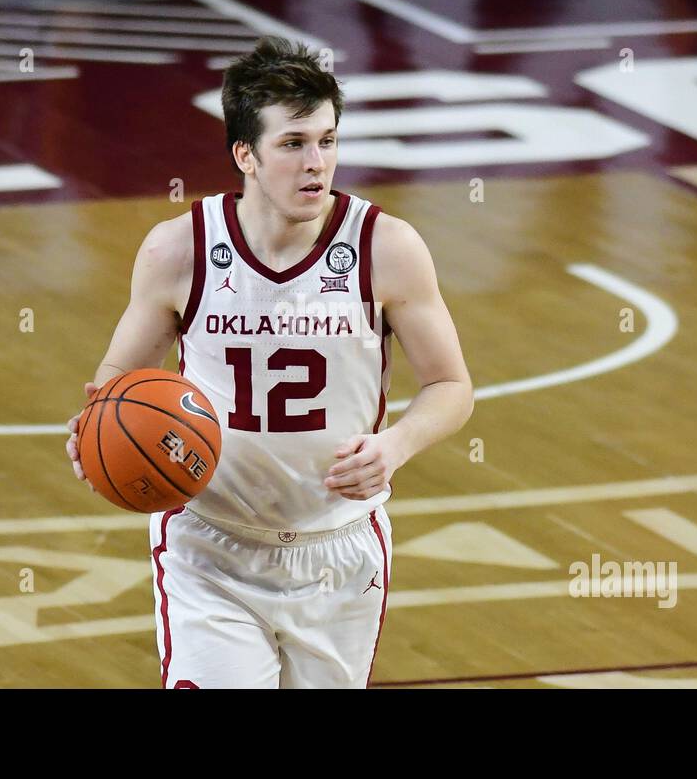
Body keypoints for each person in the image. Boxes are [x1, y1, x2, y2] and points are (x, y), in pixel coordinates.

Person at [65, 36, 473, 688]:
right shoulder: (181, 250)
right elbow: (116, 381)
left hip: (338, 547)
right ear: (245, 155)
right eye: (293, 144)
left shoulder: (386, 249)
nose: (317, 163)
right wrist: (97, 432)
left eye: (328, 140)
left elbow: (451, 384)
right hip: (209, 544)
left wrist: (396, 445)